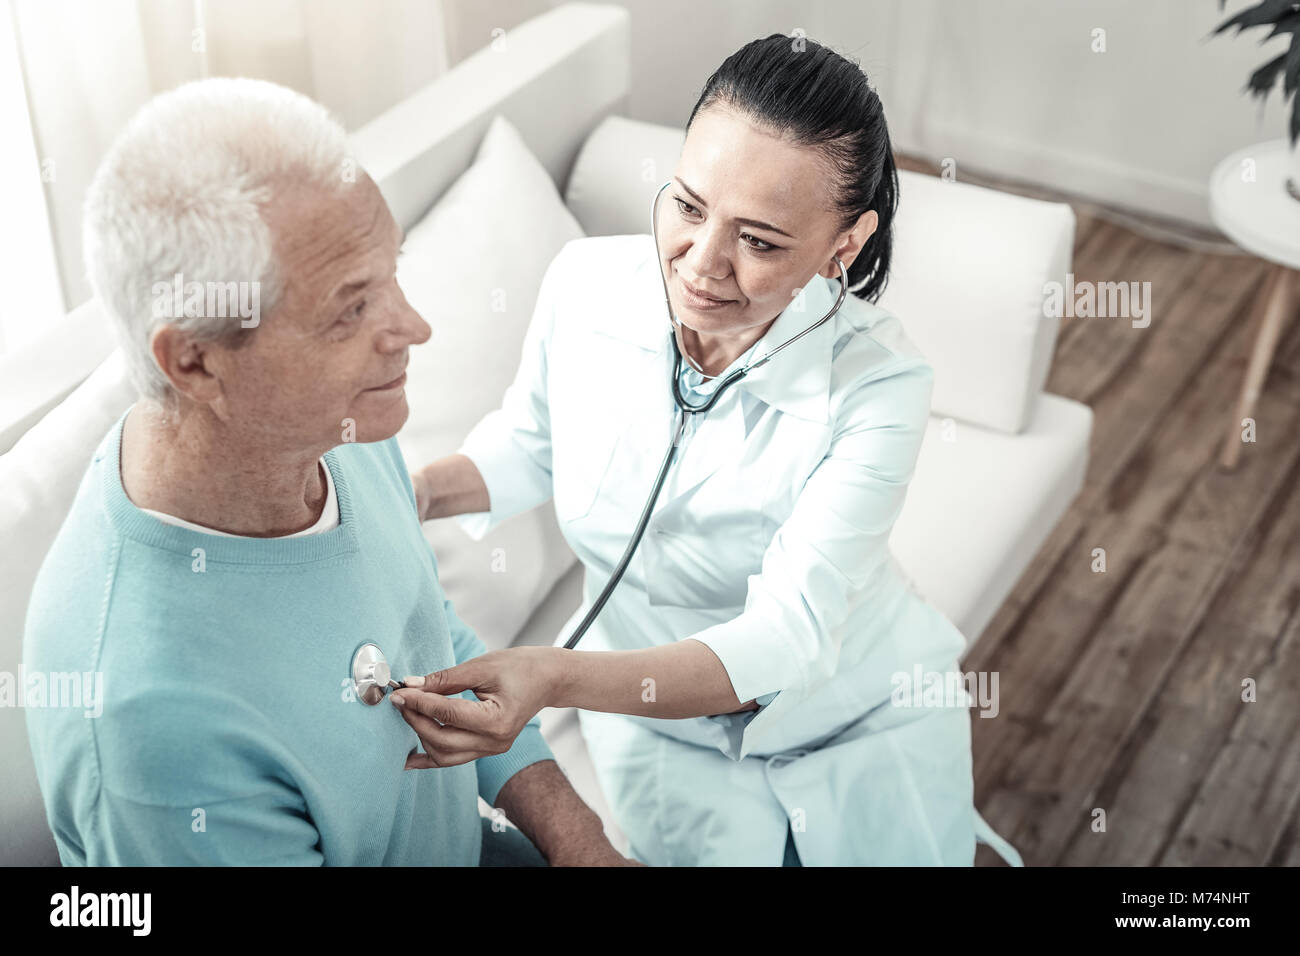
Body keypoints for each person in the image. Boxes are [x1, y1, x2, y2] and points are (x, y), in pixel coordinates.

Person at [399, 34, 1025, 867]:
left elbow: (782, 637)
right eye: (689, 206)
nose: (700, 265)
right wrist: (414, 492)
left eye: (760, 242)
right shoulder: (583, 287)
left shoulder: (880, 385)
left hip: (855, 719)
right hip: (667, 732)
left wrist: (552, 676)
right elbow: (531, 443)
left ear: (846, 242)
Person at [23, 77, 632, 866]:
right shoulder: (155, 731)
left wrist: (580, 840)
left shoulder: (329, 425)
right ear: (196, 361)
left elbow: (421, 620)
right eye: (351, 310)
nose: (413, 327)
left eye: (393, 273)